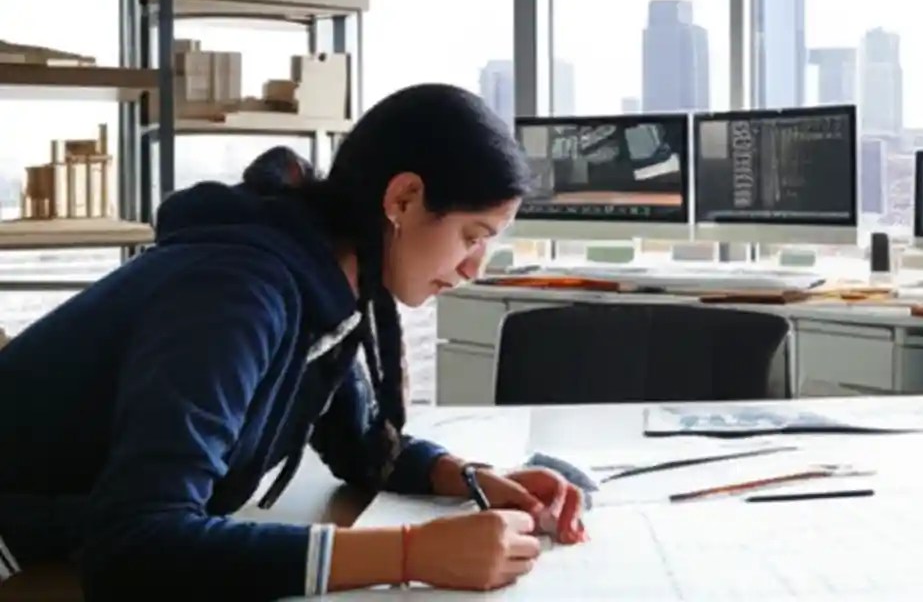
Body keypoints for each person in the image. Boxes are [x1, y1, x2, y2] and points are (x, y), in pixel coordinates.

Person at [0, 84, 587, 599]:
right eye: (472, 236)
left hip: (59, 556)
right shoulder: (236, 293)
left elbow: (360, 444)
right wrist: (411, 554)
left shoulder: (329, 281)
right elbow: (135, 545)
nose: (472, 269)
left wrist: (468, 478)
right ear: (403, 200)